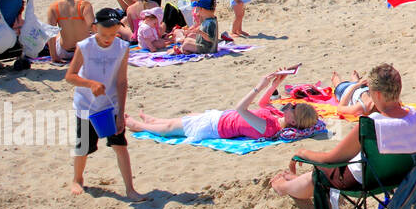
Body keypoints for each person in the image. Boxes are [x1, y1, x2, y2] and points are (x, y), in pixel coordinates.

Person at [271, 63, 416, 209]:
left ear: (377, 94)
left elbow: (332, 159)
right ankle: (294, 181)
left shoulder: (371, 125)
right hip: (402, 178)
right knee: (329, 171)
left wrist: (302, 153)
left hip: (364, 180)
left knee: (319, 174)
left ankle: (283, 187)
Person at [66, 7, 142, 199]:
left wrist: (121, 112)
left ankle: (130, 189)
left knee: (120, 146)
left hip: (111, 105)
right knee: (83, 147)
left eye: (113, 33)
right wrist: (90, 84)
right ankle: (77, 178)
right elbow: (70, 76)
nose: (108, 38)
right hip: (86, 105)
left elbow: (122, 81)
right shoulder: (85, 46)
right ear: (94, 28)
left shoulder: (122, 47)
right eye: (104, 33)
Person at [128, 69, 317, 143]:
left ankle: (140, 126)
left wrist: (259, 86)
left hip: (214, 127)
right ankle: (153, 120)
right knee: (177, 121)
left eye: (293, 107)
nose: (290, 105)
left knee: (170, 128)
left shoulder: (268, 127)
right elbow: (262, 104)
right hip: (218, 118)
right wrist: (275, 84)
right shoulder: (277, 115)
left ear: (293, 120)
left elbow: (240, 109)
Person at [47, 0, 95, 64]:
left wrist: (54, 56)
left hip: (63, 53)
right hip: (85, 51)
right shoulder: (84, 5)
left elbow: (50, 33)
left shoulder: (54, 6)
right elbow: (93, 27)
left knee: (58, 33)